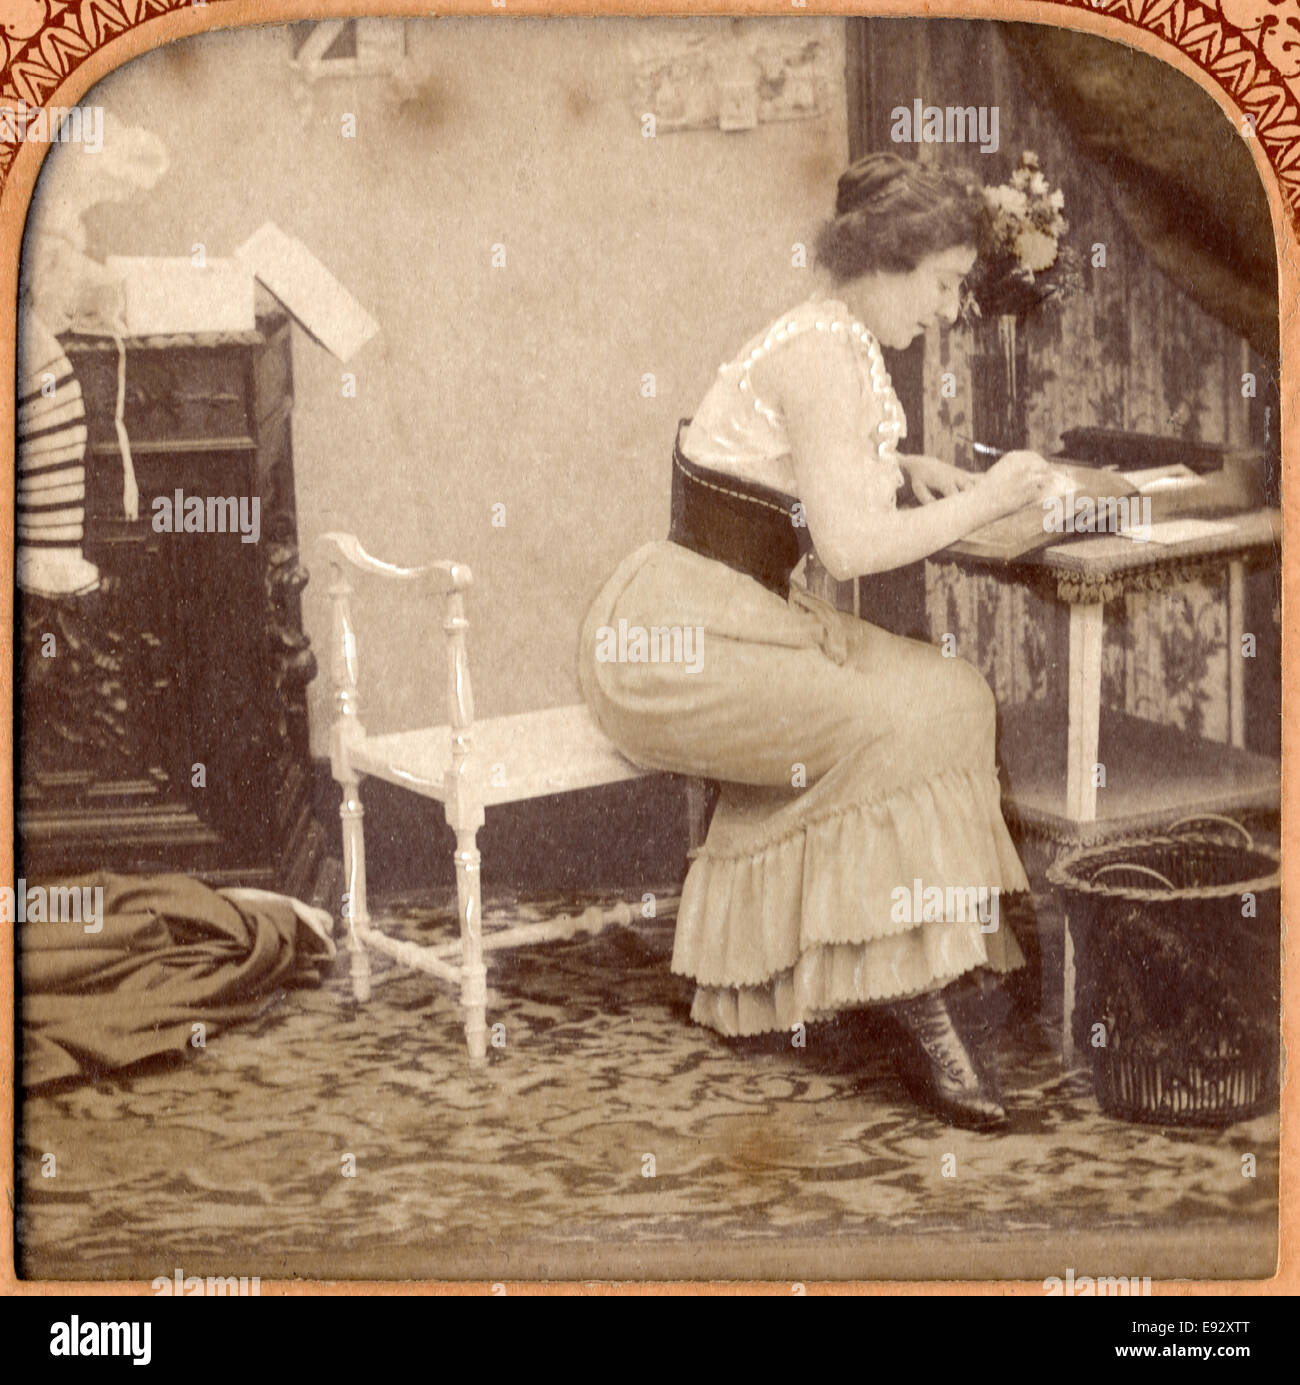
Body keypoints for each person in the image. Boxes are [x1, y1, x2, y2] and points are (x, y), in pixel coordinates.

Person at [577, 153, 1055, 1130]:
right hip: (676, 647)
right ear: (890, 257)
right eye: (943, 284)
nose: (949, 309)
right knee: (895, 723)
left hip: (727, 615)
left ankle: (823, 967)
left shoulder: (829, 334)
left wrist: (903, 465)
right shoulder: (824, 355)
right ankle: (908, 1005)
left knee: (952, 693)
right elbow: (850, 548)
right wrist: (994, 495)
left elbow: (790, 469)